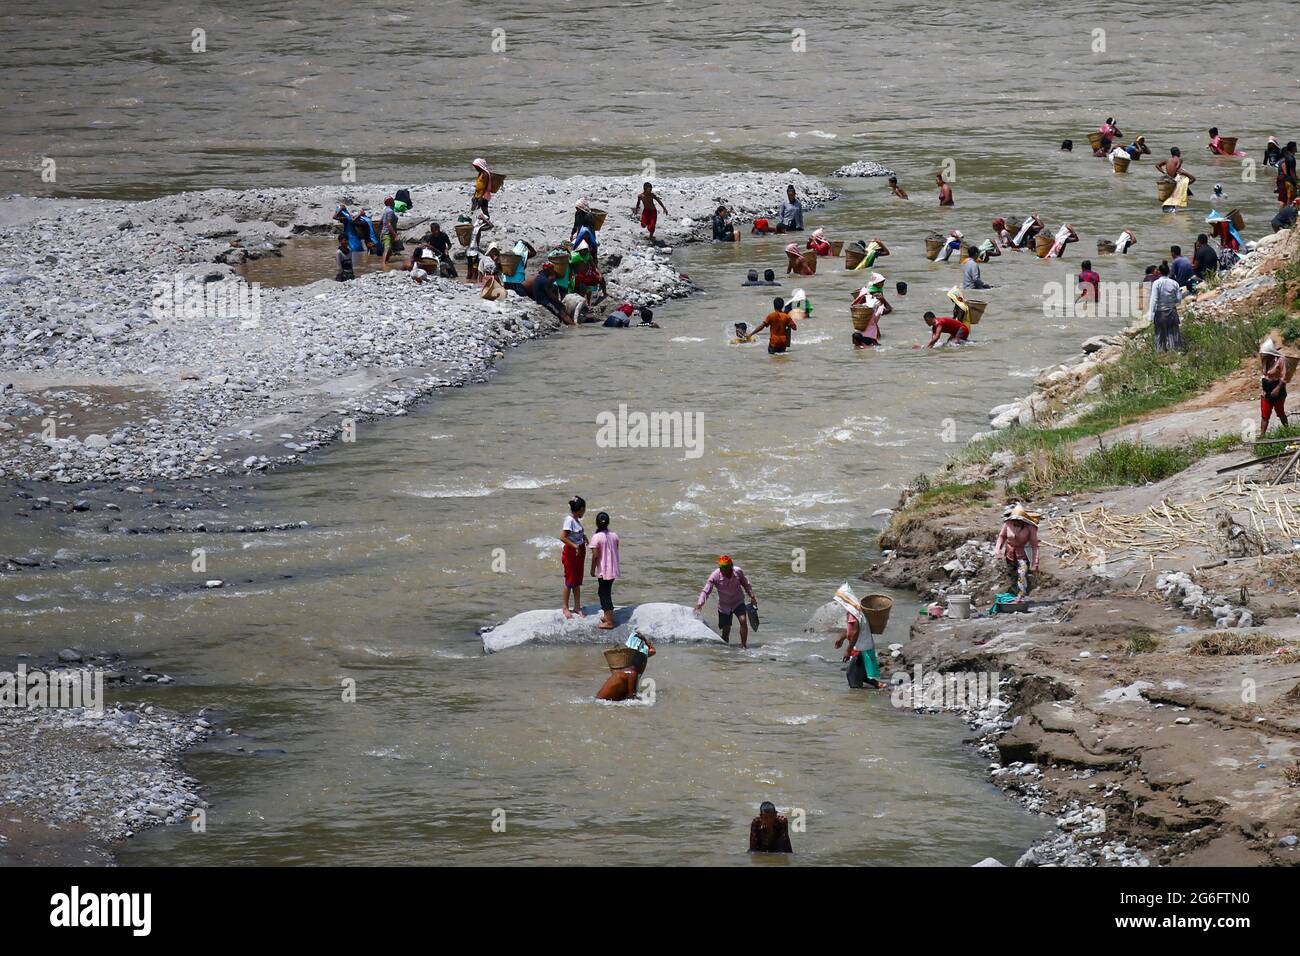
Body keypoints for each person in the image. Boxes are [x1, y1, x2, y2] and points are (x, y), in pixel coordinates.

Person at [694, 555, 757, 648]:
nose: (724, 570)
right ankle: (725, 653)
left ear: (731, 565)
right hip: (724, 605)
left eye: (726, 567)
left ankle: (744, 646)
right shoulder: (715, 576)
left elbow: (746, 584)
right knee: (726, 631)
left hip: (738, 601)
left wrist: (752, 596)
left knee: (743, 621)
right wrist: (700, 604)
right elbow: (706, 591)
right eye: (722, 568)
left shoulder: (738, 572)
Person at [833, 584, 886, 690]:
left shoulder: (853, 614)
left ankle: (857, 700)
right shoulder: (858, 611)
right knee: (861, 672)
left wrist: (848, 650)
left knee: (852, 677)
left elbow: (855, 633)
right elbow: (850, 629)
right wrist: (841, 639)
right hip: (866, 646)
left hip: (860, 648)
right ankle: (878, 685)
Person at [596, 630, 655, 702]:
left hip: (603, 701)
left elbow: (652, 651)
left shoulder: (626, 670)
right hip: (602, 702)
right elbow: (631, 699)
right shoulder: (632, 673)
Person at [995, 505, 1040, 599]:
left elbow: (1035, 546)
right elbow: (1002, 537)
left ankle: (1021, 595)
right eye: (1014, 520)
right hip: (1010, 553)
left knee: (1022, 574)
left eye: (1018, 520)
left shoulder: (1030, 527)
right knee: (1013, 575)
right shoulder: (1008, 524)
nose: (1016, 522)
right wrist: (998, 550)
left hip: (1024, 553)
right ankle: (1014, 595)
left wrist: (1035, 563)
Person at [588, 511, 621, 630]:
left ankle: (609, 622)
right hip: (613, 569)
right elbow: (615, 550)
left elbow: (595, 556)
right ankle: (608, 616)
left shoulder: (596, 537)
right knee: (604, 592)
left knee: (604, 594)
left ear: (596, 523)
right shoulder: (614, 535)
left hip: (604, 571)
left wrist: (592, 570)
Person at [1148, 261, 1185, 352]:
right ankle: (1175, 351)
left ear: (1160, 272)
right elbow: (1178, 299)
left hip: (1160, 312)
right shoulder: (1174, 283)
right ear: (1168, 272)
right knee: (1173, 333)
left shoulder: (1157, 283)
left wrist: (1151, 315)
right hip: (1172, 311)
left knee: (1159, 334)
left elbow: (1154, 300)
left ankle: (1160, 352)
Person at [561, 496, 587, 619]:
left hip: (579, 553)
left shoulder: (576, 520)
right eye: (584, 509)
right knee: (569, 581)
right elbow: (563, 537)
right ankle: (565, 607)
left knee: (577, 581)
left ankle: (577, 606)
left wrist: (584, 537)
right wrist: (575, 546)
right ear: (580, 509)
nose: (585, 512)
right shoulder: (569, 520)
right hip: (572, 554)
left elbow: (576, 533)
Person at [1260, 339, 1290, 436]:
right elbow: (1264, 376)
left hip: (1278, 389)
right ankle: (1262, 435)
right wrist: (1263, 390)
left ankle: (1287, 431)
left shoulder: (1280, 360)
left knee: (1280, 412)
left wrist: (1277, 389)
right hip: (1267, 390)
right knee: (1265, 414)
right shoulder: (1264, 361)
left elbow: (1284, 377)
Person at [378, 197, 402, 266]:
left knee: (389, 250)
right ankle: (383, 264)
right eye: (393, 201)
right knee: (387, 248)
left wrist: (379, 233)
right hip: (387, 233)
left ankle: (386, 262)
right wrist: (395, 235)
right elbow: (389, 224)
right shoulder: (390, 212)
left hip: (385, 233)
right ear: (390, 202)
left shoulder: (386, 211)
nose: (394, 203)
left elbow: (380, 222)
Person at [1277, 142, 1298, 207]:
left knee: (1283, 200)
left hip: (1282, 180)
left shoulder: (1283, 159)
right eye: (1296, 147)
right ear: (1293, 148)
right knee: (1290, 199)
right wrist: (1296, 183)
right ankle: (1287, 213)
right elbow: (1292, 172)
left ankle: (1282, 213)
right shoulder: (1291, 158)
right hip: (1288, 181)